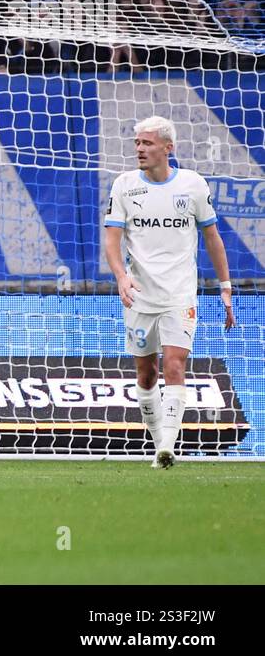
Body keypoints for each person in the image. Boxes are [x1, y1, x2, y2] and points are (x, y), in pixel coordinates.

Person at [103, 116, 235, 468]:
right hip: (139, 295)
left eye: (147, 143)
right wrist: (120, 276)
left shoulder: (192, 185)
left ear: (168, 147)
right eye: (137, 144)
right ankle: (158, 437)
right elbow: (112, 238)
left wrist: (225, 287)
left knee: (175, 365)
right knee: (146, 374)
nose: (140, 150)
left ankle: (166, 447)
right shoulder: (124, 185)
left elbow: (212, 237)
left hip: (180, 294)